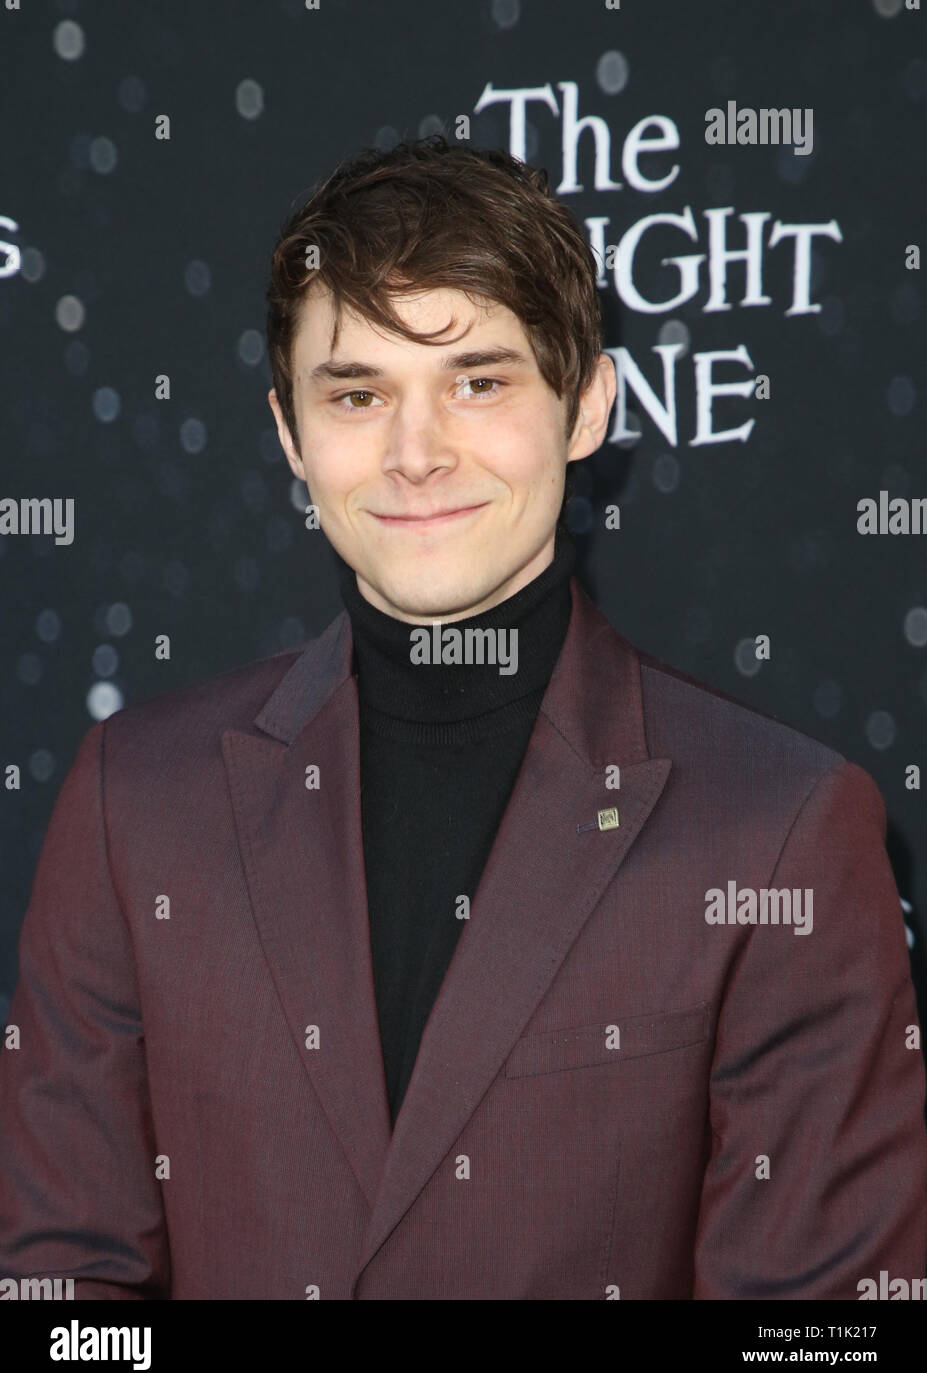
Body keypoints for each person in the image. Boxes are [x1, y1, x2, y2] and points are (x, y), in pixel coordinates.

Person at [0, 135, 924, 1300]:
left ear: (587, 405)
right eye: (358, 392)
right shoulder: (133, 799)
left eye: (478, 382)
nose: (416, 453)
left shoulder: (782, 826)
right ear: (290, 433)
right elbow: (62, 1298)